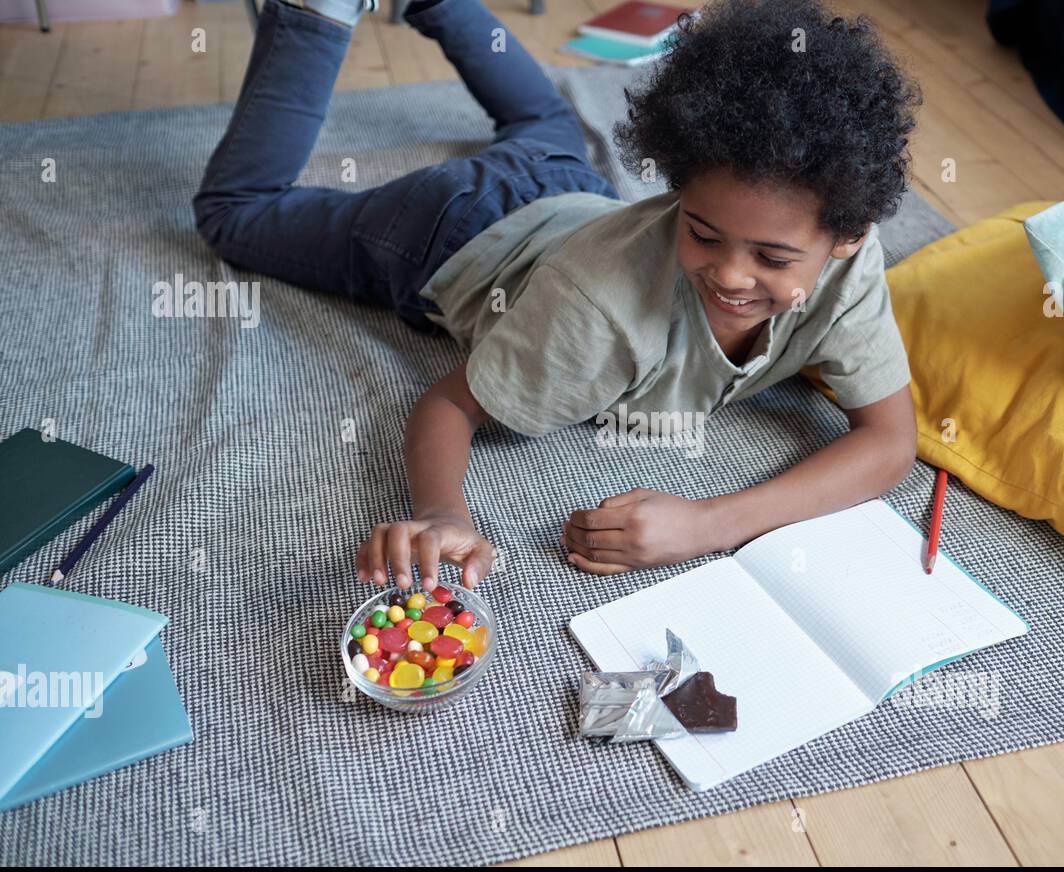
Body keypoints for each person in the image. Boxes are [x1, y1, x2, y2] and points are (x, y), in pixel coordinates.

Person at [193, 0, 921, 592]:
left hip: (572, 187)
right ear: (677, 192)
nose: (731, 275)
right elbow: (450, 404)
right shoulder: (596, 304)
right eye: (700, 232)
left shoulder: (850, 266)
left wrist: (710, 523)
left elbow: (890, 441)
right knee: (236, 216)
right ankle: (315, 14)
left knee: (544, 131)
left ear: (848, 237)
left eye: (772, 256)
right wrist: (443, 513)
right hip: (442, 227)